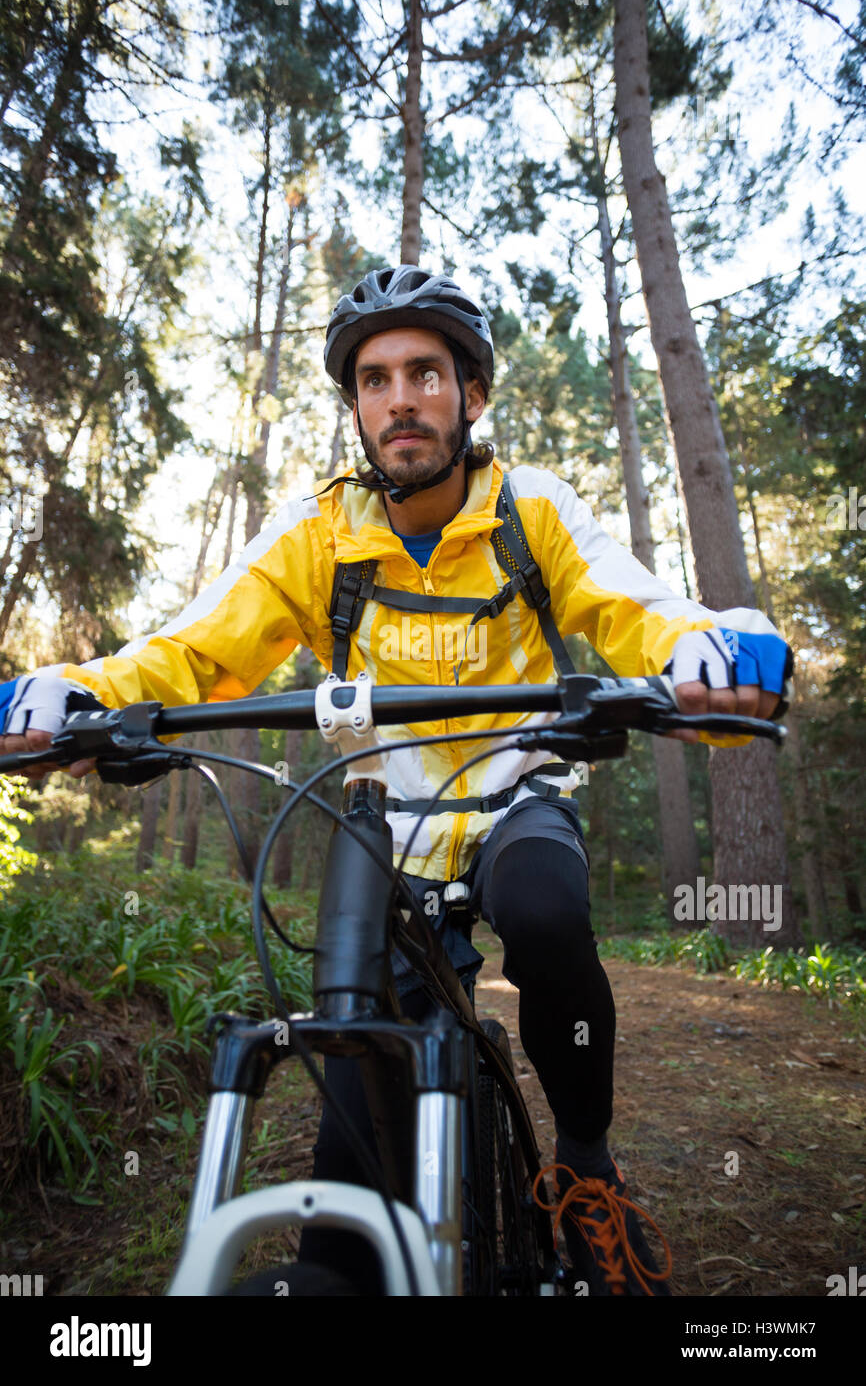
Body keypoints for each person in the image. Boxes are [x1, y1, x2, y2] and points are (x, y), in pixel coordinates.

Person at [0, 266, 792, 1295]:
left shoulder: (531, 510)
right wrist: (80, 694)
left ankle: (587, 1165)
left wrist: (713, 649)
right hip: (387, 822)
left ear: (470, 395)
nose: (399, 398)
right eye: (374, 379)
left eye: (425, 371)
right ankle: (342, 1248)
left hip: (514, 795)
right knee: (353, 1039)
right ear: (356, 405)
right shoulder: (318, 533)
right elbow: (194, 649)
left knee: (545, 911)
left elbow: (637, 607)